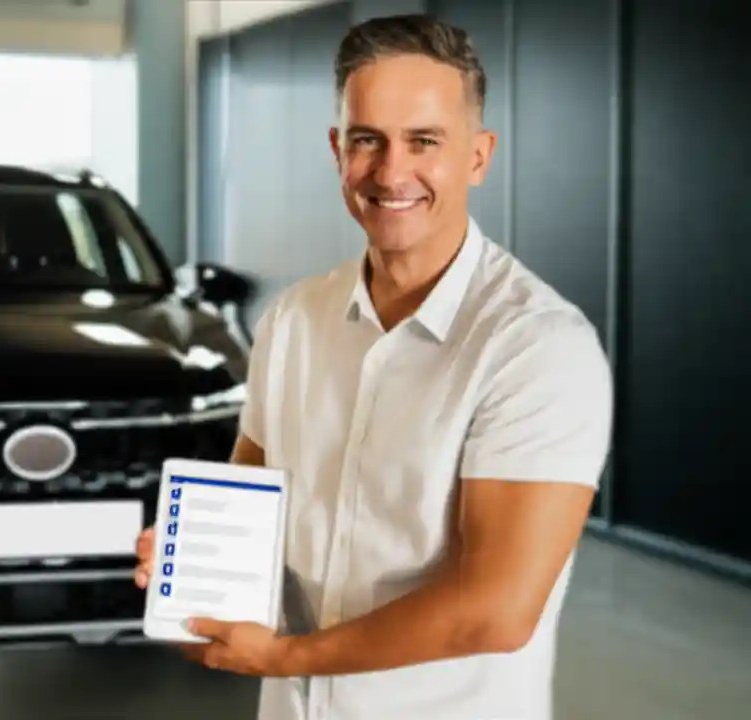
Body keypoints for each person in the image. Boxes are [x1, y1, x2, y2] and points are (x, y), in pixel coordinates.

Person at [133, 14, 613, 720]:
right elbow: (247, 503)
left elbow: (495, 610)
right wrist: (188, 573)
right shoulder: (294, 320)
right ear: (338, 150)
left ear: (478, 156)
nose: (392, 172)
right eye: (368, 140)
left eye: (425, 142)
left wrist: (283, 656)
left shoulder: (536, 346)